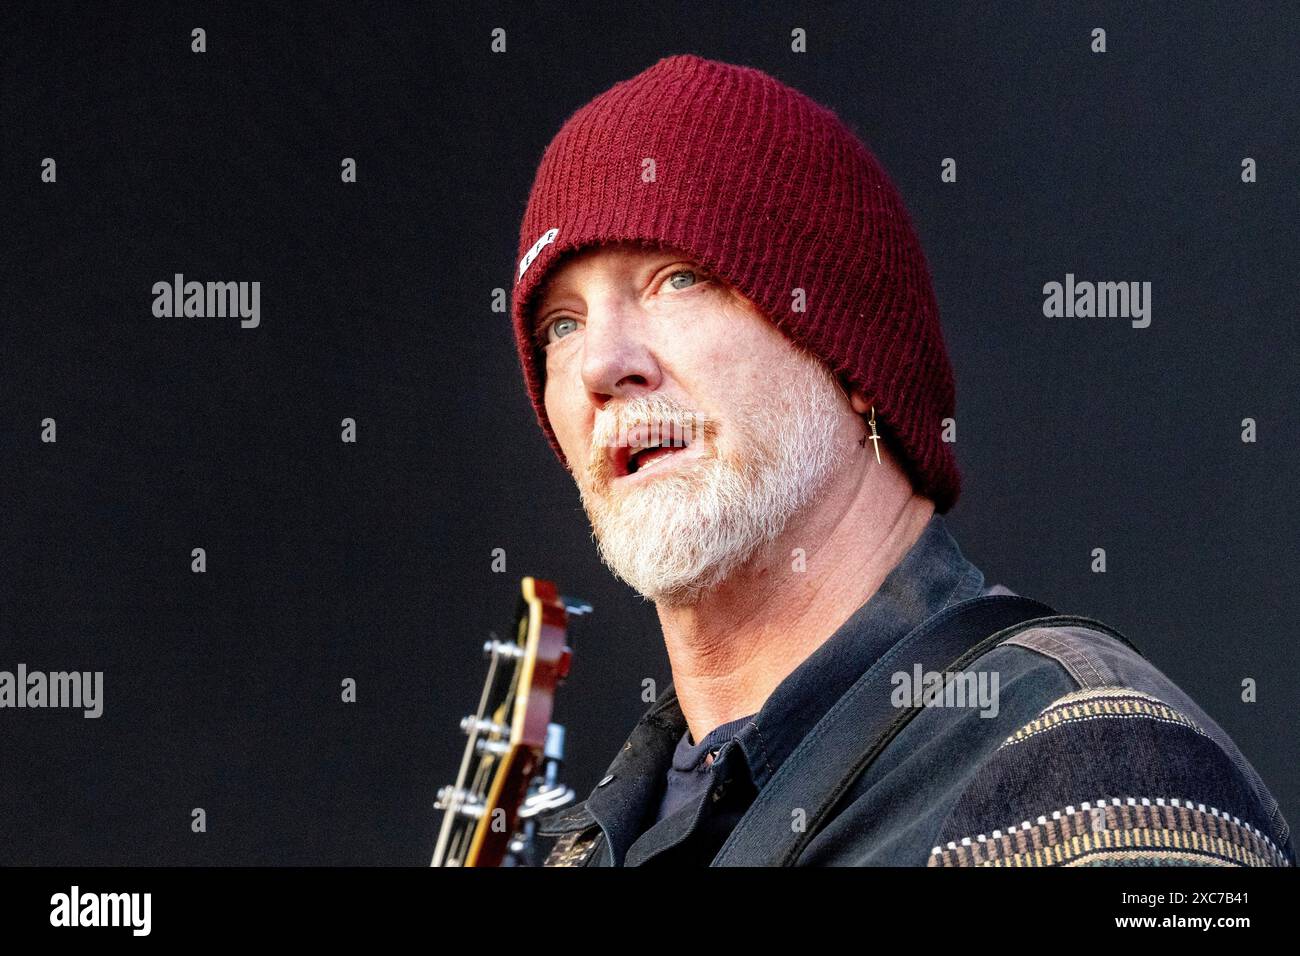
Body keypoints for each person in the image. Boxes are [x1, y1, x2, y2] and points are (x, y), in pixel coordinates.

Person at [506, 53, 1294, 867]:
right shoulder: (598, 839)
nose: (601, 365)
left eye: (679, 278)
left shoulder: (1095, 775)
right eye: (560, 325)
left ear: (853, 364)